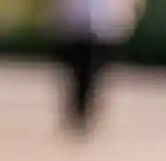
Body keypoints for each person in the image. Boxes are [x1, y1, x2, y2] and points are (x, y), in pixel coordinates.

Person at [54, 0, 145, 134]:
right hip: (78, 28)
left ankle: (86, 109)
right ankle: (79, 109)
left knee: (95, 73)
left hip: (104, 29)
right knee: (78, 73)